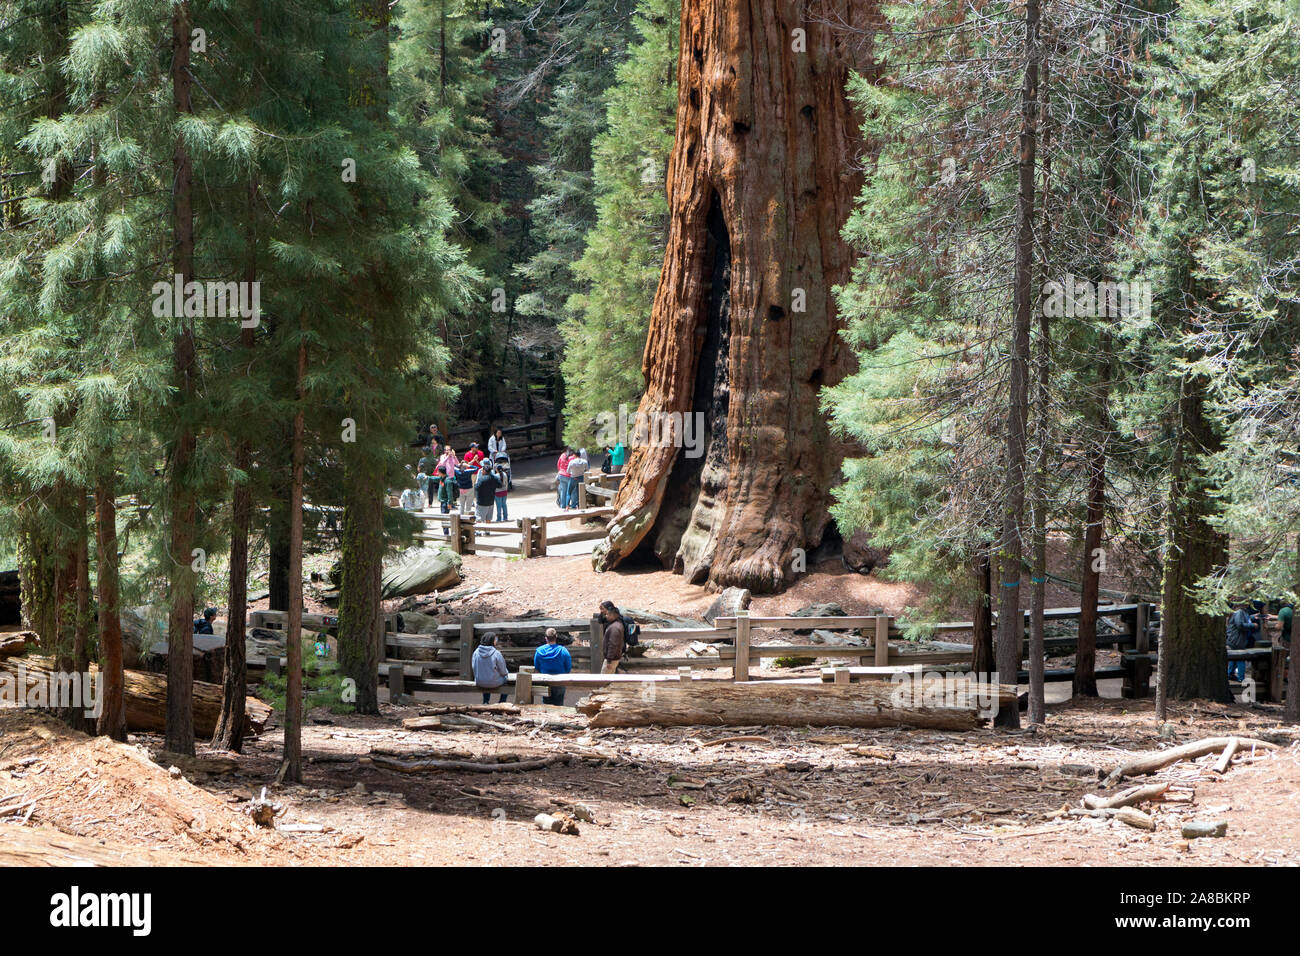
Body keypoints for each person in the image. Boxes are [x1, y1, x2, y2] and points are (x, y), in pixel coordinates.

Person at [533, 627, 572, 705]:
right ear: (556, 637)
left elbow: (536, 666)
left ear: (546, 638)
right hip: (560, 681)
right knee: (559, 704)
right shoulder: (563, 650)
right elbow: (568, 667)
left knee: (546, 703)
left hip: (545, 681)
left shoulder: (539, 651)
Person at [1226, 600, 1262, 681]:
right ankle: (1241, 678)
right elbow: (1240, 624)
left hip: (1237, 639)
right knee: (1241, 657)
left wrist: (1253, 617)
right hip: (1236, 639)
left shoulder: (1242, 612)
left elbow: (1245, 618)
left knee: (1235, 656)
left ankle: (1230, 674)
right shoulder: (1239, 612)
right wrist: (1253, 625)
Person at [472, 632, 509, 704]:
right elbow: (503, 671)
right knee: (507, 680)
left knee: (485, 675)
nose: (496, 641)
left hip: (479, 682)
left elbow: (474, 667)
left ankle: (485, 701)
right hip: (494, 682)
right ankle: (502, 702)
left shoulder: (476, 652)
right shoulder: (496, 653)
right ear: (492, 641)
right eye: (495, 639)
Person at [598, 600, 625, 674]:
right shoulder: (614, 622)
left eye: (608, 614)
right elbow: (600, 620)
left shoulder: (614, 627)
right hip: (614, 654)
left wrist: (609, 660)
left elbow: (612, 644)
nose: (606, 615)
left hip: (612, 655)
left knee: (604, 678)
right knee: (610, 674)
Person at [433, 465, 455, 534]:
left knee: (444, 519)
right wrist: (427, 478)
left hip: (446, 503)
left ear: (441, 472)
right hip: (443, 502)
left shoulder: (447, 481)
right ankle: (446, 533)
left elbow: (450, 493)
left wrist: (449, 503)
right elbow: (434, 478)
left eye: (438, 472)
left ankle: (446, 534)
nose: (437, 473)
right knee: (443, 518)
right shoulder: (441, 478)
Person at [493, 452, 512, 521]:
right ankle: (505, 517)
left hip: (497, 492)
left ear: (496, 469)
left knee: (498, 506)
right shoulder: (505, 474)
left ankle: (499, 518)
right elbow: (507, 483)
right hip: (504, 491)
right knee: (504, 505)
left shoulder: (495, 476)